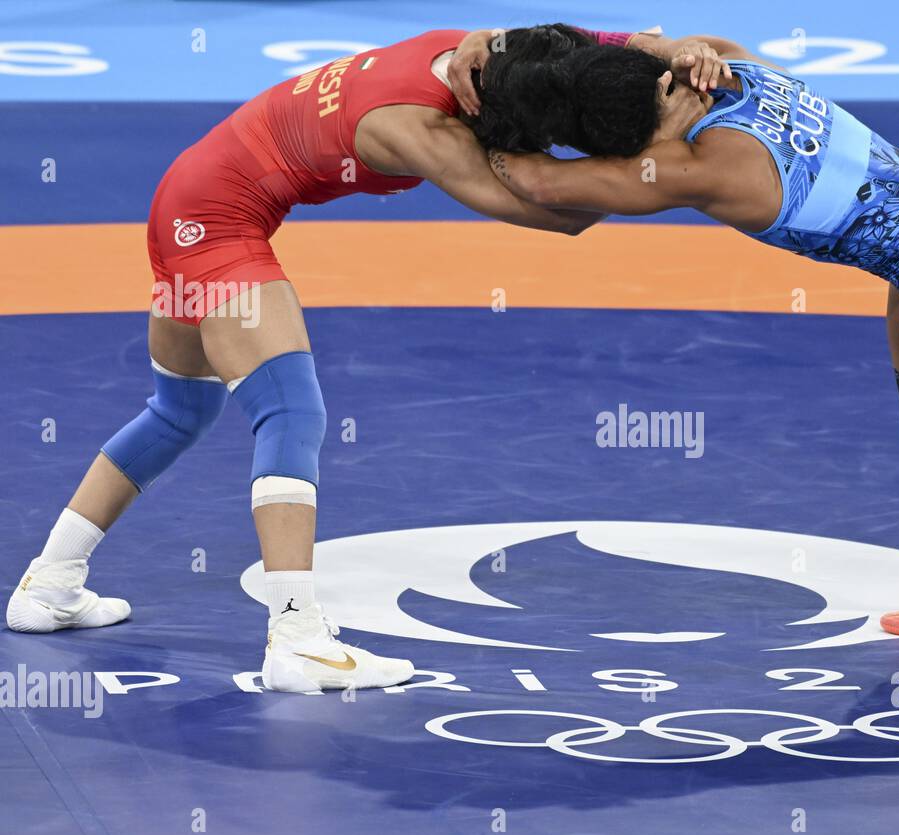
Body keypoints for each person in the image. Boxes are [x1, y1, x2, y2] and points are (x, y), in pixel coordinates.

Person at [5, 25, 723, 695]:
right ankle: (296, 639)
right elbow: (553, 210)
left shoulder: (502, 53)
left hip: (187, 194)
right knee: (290, 412)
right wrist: (663, 157)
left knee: (179, 410)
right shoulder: (414, 127)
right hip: (214, 222)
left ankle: (49, 584)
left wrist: (685, 50)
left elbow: (616, 48)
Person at [480, 40, 899, 724]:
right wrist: (679, 46)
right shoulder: (734, 67)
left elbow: (543, 184)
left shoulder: (699, 168)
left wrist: (461, 125)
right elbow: (638, 45)